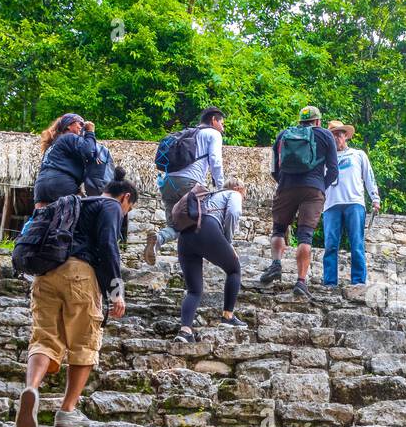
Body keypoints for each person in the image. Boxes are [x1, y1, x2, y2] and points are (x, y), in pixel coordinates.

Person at [15, 176, 138, 427]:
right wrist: (116, 293)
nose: (125, 214)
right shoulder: (112, 207)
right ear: (125, 197)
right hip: (80, 275)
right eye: (129, 209)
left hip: (46, 273)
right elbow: (108, 247)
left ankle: (32, 388)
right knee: (84, 342)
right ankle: (67, 410)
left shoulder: (76, 204)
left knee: (44, 338)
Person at [259, 105, 339, 299]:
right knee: (305, 235)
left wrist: (285, 183)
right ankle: (301, 282)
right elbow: (334, 169)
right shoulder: (326, 135)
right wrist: (321, 185)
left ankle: (276, 265)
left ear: (300, 121)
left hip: (286, 187)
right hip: (313, 190)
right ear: (318, 121)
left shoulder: (283, 134)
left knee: (278, 229)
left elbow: (273, 169)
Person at [144, 107, 225, 265]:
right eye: (222, 123)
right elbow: (216, 161)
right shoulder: (213, 134)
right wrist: (220, 186)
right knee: (202, 220)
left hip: (168, 182)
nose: (223, 127)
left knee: (176, 225)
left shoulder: (188, 133)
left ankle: (159, 238)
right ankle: (202, 258)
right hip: (189, 184)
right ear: (214, 120)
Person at [175, 177, 248, 338]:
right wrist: (228, 243)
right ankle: (228, 316)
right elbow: (234, 212)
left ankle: (185, 330)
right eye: (244, 194)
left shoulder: (208, 197)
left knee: (194, 290)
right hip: (207, 229)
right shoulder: (232, 194)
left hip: (185, 237)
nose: (244, 197)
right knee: (234, 270)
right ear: (238, 188)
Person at [322, 120, 380, 287]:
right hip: (331, 204)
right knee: (331, 244)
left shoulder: (358, 155)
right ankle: (330, 282)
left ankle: (358, 281)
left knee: (356, 243)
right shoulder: (324, 159)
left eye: (339, 135)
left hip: (354, 202)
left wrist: (375, 197)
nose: (336, 138)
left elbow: (369, 177)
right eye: (332, 135)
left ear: (345, 136)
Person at [34, 113, 105, 208]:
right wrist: (90, 132)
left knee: (42, 219)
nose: (82, 126)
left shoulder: (52, 145)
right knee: (73, 217)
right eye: (80, 123)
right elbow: (88, 150)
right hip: (61, 183)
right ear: (68, 125)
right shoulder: (69, 137)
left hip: (40, 188)